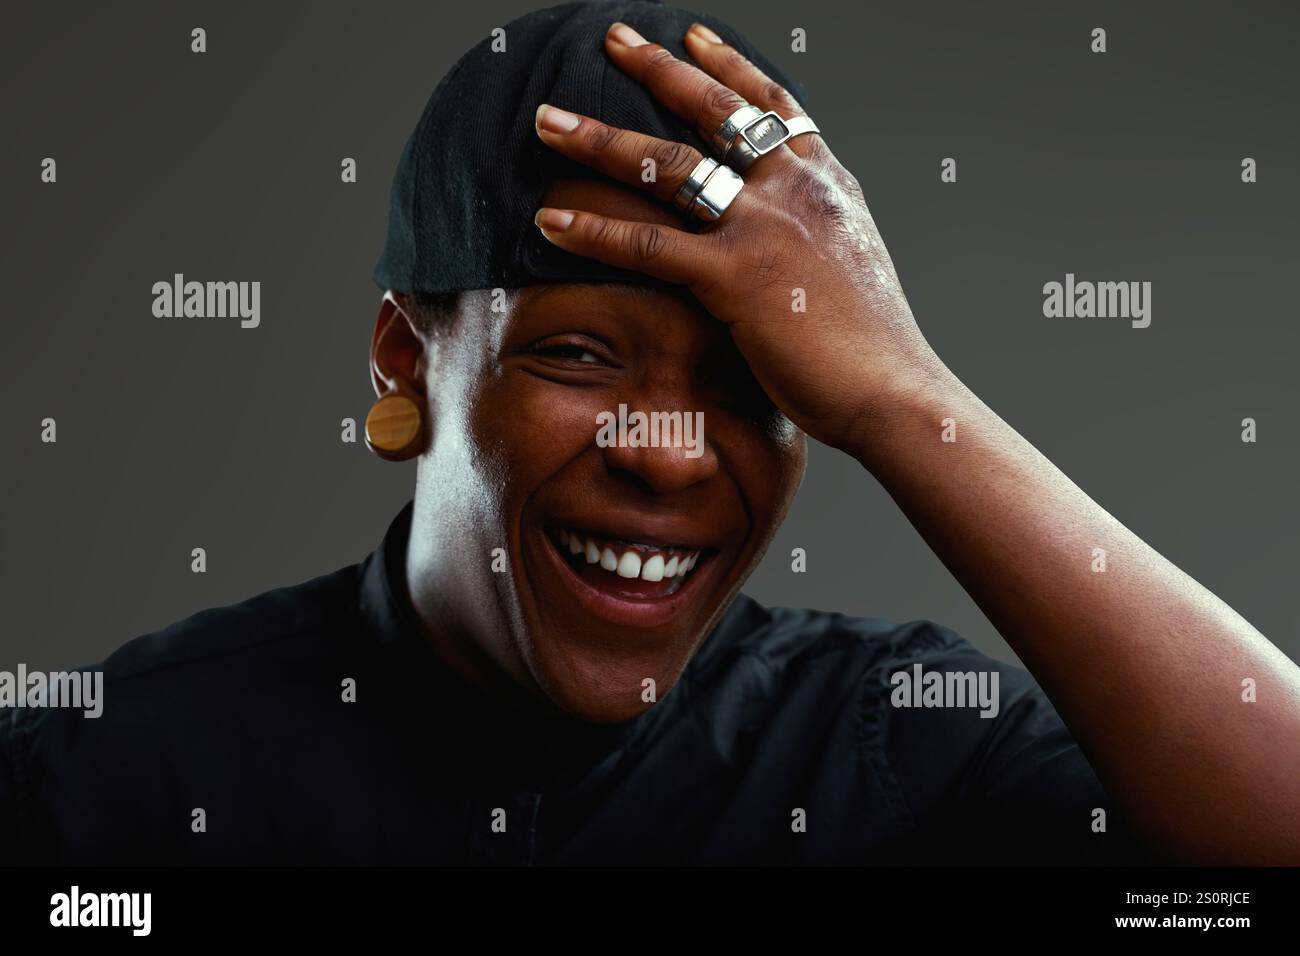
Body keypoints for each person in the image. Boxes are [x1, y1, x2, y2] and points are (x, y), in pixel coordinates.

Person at [3, 0, 1297, 866]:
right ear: (410, 355)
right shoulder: (117, 772)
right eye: (577, 354)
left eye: (751, 382)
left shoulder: (899, 749)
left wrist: (906, 399)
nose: (670, 451)